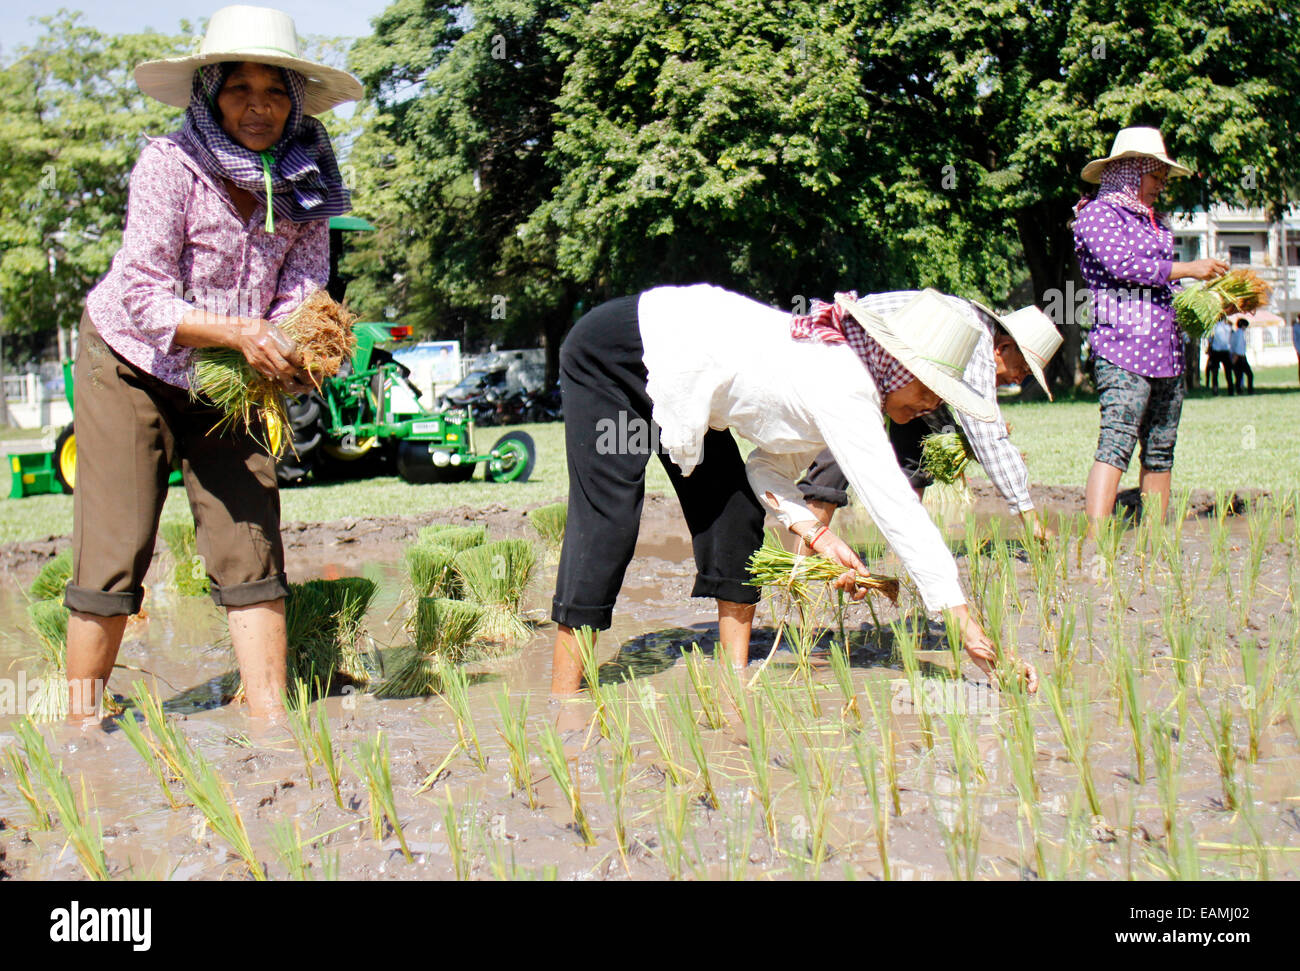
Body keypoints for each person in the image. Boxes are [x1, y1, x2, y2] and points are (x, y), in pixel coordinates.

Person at [63, 5, 363, 727]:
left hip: (235, 375)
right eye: (239, 89)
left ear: (295, 100)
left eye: (274, 90)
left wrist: (297, 349)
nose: (257, 106)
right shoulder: (170, 165)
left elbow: (302, 288)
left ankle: (271, 722)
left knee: (250, 532)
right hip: (133, 362)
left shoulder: (310, 179)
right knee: (117, 542)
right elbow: (142, 296)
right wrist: (240, 331)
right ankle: (77, 725)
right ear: (209, 93)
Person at [549, 285, 1037, 698]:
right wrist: (971, 634)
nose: (931, 405)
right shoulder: (843, 383)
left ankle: (733, 682)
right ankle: (563, 701)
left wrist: (820, 538)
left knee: (735, 516)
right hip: (618, 351)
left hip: (690, 376)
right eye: (929, 390)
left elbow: (766, 470)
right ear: (898, 367)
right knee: (609, 517)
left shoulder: (853, 385)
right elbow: (900, 512)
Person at [796, 292, 1063, 543]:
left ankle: (902, 552)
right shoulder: (976, 341)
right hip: (848, 355)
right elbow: (988, 436)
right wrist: (1028, 516)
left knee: (917, 444)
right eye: (1023, 368)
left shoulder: (971, 332)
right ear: (1002, 348)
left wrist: (958, 440)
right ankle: (800, 565)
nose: (1020, 378)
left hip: (894, 376)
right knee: (838, 457)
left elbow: (929, 400)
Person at [1072, 127, 1229, 523]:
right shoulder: (1097, 215)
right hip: (1122, 348)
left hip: (1166, 350)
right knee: (1116, 443)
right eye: (1155, 174)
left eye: (1162, 175)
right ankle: (1094, 545)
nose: (1161, 184)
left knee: (1161, 449)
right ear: (1129, 170)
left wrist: (1211, 300)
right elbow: (1122, 267)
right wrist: (1191, 267)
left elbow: (1166, 284)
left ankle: (1155, 545)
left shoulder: (1155, 222)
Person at [1206, 317, 1234, 395]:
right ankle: (1230, 390)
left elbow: (1210, 340)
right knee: (1228, 372)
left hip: (1216, 352)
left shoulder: (1213, 328)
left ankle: (1215, 390)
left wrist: (1209, 348)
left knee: (1215, 373)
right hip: (1225, 351)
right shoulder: (1228, 328)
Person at [1230, 318, 1253, 395]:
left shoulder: (1235, 333)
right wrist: (1236, 356)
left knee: (1238, 375)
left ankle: (1239, 390)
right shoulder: (1240, 334)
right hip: (1240, 357)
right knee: (1249, 374)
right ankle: (1250, 390)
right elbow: (1239, 347)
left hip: (1237, 356)